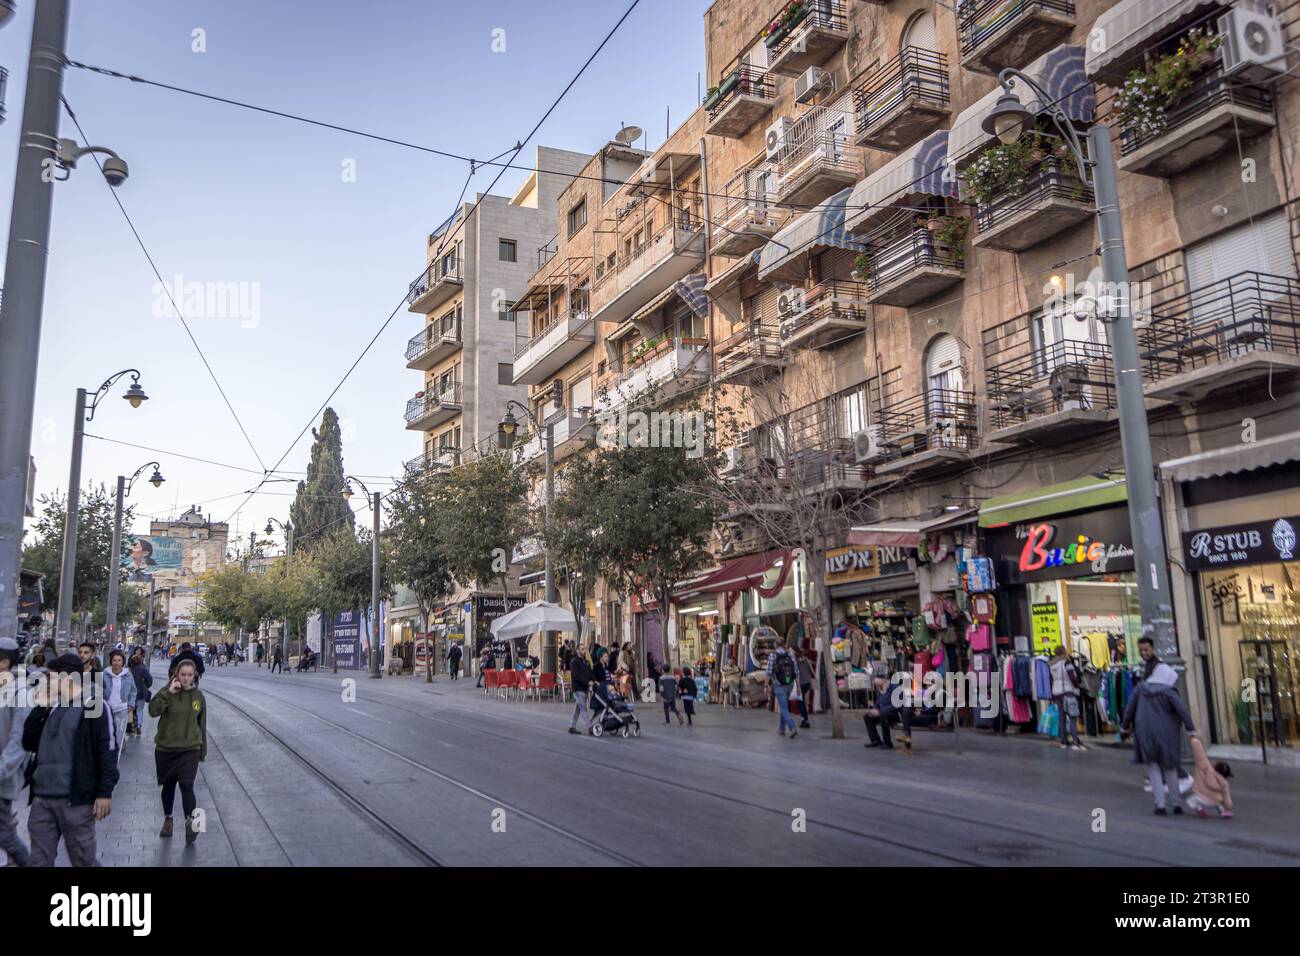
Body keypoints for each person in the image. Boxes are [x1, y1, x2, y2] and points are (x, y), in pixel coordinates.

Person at [22, 654, 119, 866]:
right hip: (42, 798)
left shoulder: (95, 707)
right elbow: (28, 742)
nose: (47, 682)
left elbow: (108, 752)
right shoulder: (52, 707)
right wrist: (40, 708)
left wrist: (104, 793)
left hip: (76, 800)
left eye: (52, 677)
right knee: (38, 861)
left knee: (83, 860)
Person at [1121, 658, 1197, 816]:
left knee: (1153, 767)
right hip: (1167, 733)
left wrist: (1124, 726)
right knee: (1170, 767)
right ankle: (1176, 803)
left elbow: (1129, 708)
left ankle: (1160, 804)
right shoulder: (1169, 691)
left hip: (1145, 732)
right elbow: (1182, 710)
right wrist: (1190, 729)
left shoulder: (1140, 689)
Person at [149, 659, 207, 843]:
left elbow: (202, 725)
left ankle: (192, 824)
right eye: (183, 675)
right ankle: (168, 818)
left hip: (190, 748)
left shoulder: (198, 696)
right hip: (166, 749)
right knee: (168, 786)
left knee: (187, 785)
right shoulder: (167, 691)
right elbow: (152, 711)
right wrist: (168, 693)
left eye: (190, 675)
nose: (186, 678)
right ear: (176, 674)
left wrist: (202, 751)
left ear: (194, 676)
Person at [0, 639, 32, 866]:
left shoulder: (20, 692)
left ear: (4, 662)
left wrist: (2, 769)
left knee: (5, 835)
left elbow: (18, 740)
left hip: (4, 776)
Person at [1049, 645, 1086, 751]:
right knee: (1073, 717)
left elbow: (1051, 680)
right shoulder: (1067, 663)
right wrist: (1078, 685)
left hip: (1057, 693)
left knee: (1062, 717)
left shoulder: (1052, 665)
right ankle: (1075, 742)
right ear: (1064, 652)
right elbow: (1072, 677)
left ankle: (1063, 742)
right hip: (1067, 692)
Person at [1186, 736, 1234, 819]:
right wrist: (1228, 806)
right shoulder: (1223, 781)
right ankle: (1223, 811)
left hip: (1201, 796)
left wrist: (1194, 740)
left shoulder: (1206, 767)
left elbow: (1200, 754)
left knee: (1190, 801)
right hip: (1216, 798)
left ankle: (1199, 808)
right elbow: (1227, 796)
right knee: (1218, 802)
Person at [102, 650, 136, 760]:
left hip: (122, 708)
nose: (116, 663)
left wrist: (131, 704)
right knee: (107, 732)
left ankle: (115, 755)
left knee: (119, 733)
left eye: (119, 660)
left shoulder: (128, 676)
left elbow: (133, 691)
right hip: (107, 708)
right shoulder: (103, 675)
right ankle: (107, 751)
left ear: (123, 662)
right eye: (114, 660)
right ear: (111, 661)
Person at [766, 638, 799, 738]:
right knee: (784, 706)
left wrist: (766, 685)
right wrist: (798, 687)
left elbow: (768, 672)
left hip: (779, 685)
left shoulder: (772, 655)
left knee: (784, 708)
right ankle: (781, 729)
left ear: (776, 644)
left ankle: (792, 727)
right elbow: (796, 672)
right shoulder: (790, 655)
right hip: (789, 684)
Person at [568, 649, 593, 736]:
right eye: (582, 649)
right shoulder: (574, 662)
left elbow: (590, 673)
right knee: (583, 707)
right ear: (578, 650)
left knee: (578, 707)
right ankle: (590, 727)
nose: (584, 651)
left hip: (584, 688)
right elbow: (577, 676)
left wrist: (592, 680)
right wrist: (587, 682)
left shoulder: (586, 662)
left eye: (585, 649)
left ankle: (572, 726)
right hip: (577, 688)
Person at [128, 653, 152, 737]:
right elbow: (150, 680)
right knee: (140, 710)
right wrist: (146, 686)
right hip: (142, 692)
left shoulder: (130, 671)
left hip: (131, 693)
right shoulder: (143, 669)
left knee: (130, 710)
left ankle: (131, 727)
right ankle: (138, 725)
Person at [794, 648, 814, 729]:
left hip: (801, 683)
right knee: (801, 701)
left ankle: (804, 720)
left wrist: (797, 686)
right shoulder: (806, 660)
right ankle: (805, 719)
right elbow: (809, 671)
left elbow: (796, 674)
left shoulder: (796, 662)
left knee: (800, 702)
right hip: (807, 682)